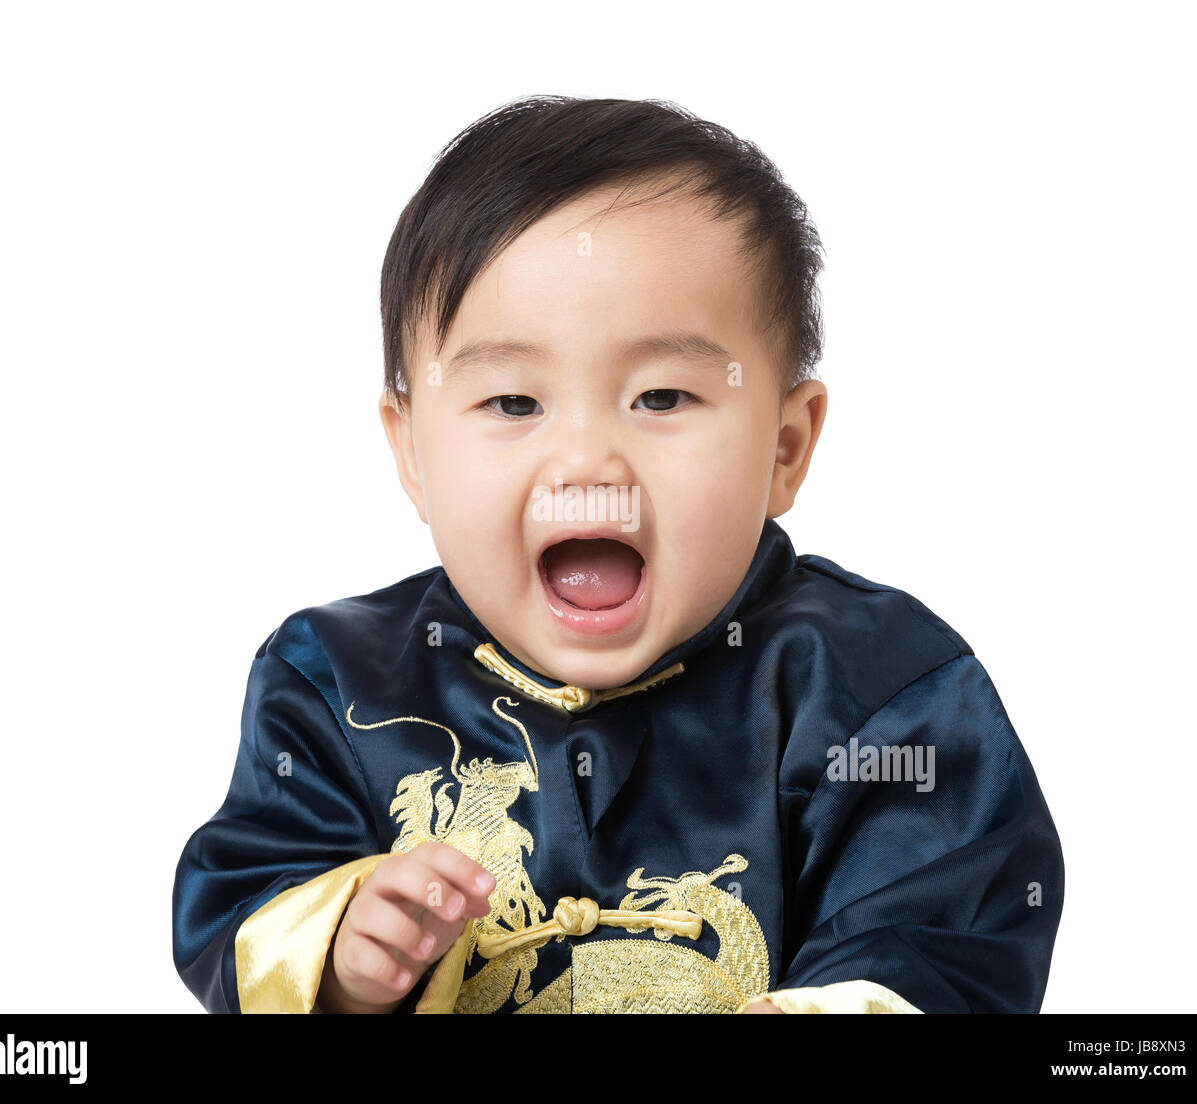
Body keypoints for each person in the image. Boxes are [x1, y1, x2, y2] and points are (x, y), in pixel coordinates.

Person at [172, 95, 1063, 1014]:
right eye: (514, 404)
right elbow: (240, 900)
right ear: (412, 454)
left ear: (786, 447)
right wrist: (348, 957)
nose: (587, 458)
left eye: (664, 397)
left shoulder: (880, 692)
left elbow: (946, 934)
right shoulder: (337, 687)